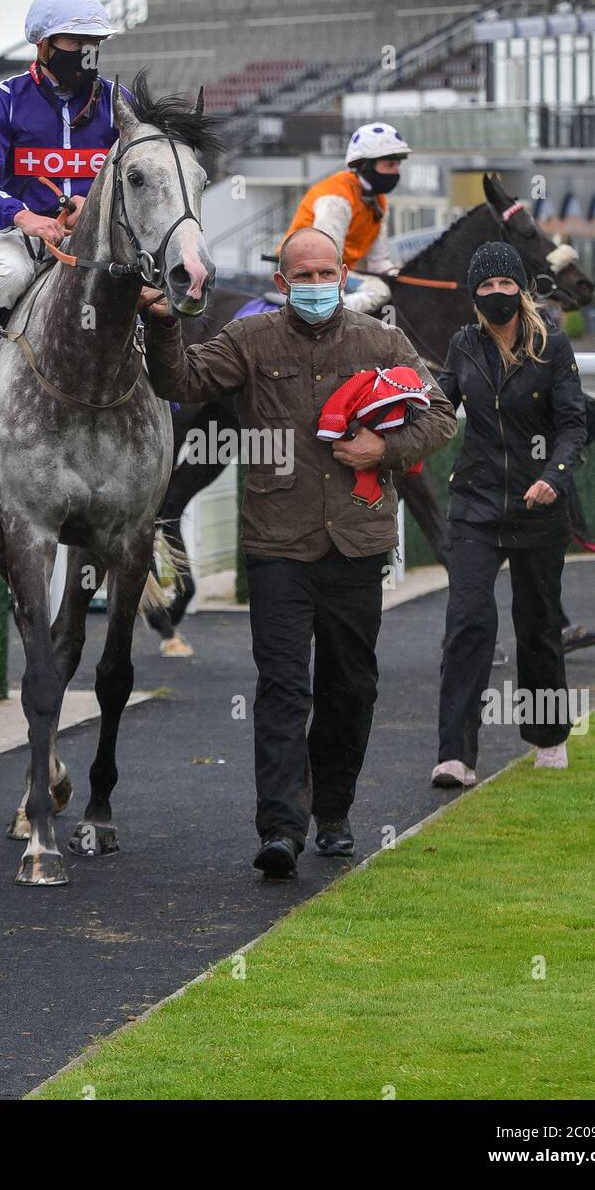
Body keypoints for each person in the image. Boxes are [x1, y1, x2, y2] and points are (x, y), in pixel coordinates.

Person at [140, 226, 457, 877]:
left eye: (325, 275)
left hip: (357, 543)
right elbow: (183, 378)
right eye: (302, 277)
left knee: (349, 688)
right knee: (282, 690)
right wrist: (165, 322)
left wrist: (384, 450)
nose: (315, 286)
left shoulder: (382, 341)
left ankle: (333, 813)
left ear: (341, 276)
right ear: (281, 284)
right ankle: (280, 827)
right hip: (276, 547)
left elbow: (440, 415)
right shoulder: (250, 340)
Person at [433, 241, 588, 787]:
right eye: (486, 286)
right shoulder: (463, 344)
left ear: (520, 289)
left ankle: (547, 738)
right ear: (473, 293)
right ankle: (455, 755)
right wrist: (391, 431)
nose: (496, 294)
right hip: (475, 503)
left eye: (506, 285)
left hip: (539, 507)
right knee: (467, 622)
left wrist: (554, 477)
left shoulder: (553, 344)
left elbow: (574, 424)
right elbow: (439, 408)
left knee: (538, 623)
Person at [0, 0, 130, 396]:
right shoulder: (0, 100)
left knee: (153, 290)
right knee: (6, 277)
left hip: (100, 239)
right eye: (75, 41)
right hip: (21, 235)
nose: (86, 50)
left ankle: (167, 387)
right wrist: (24, 217)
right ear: (43, 44)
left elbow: (139, 174)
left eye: (94, 42)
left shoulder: (120, 102)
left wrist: (97, 205)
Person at [279, 122, 411, 317]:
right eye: (389, 164)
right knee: (379, 291)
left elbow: (378, 261)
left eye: (397, 164)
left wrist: (400, 276)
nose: (395, 171)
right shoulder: (336, 198)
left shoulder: (379, 201)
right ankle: (331, 315)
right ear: (365, 165)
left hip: (341, 272)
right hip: (307, 272)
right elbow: (324, 261)